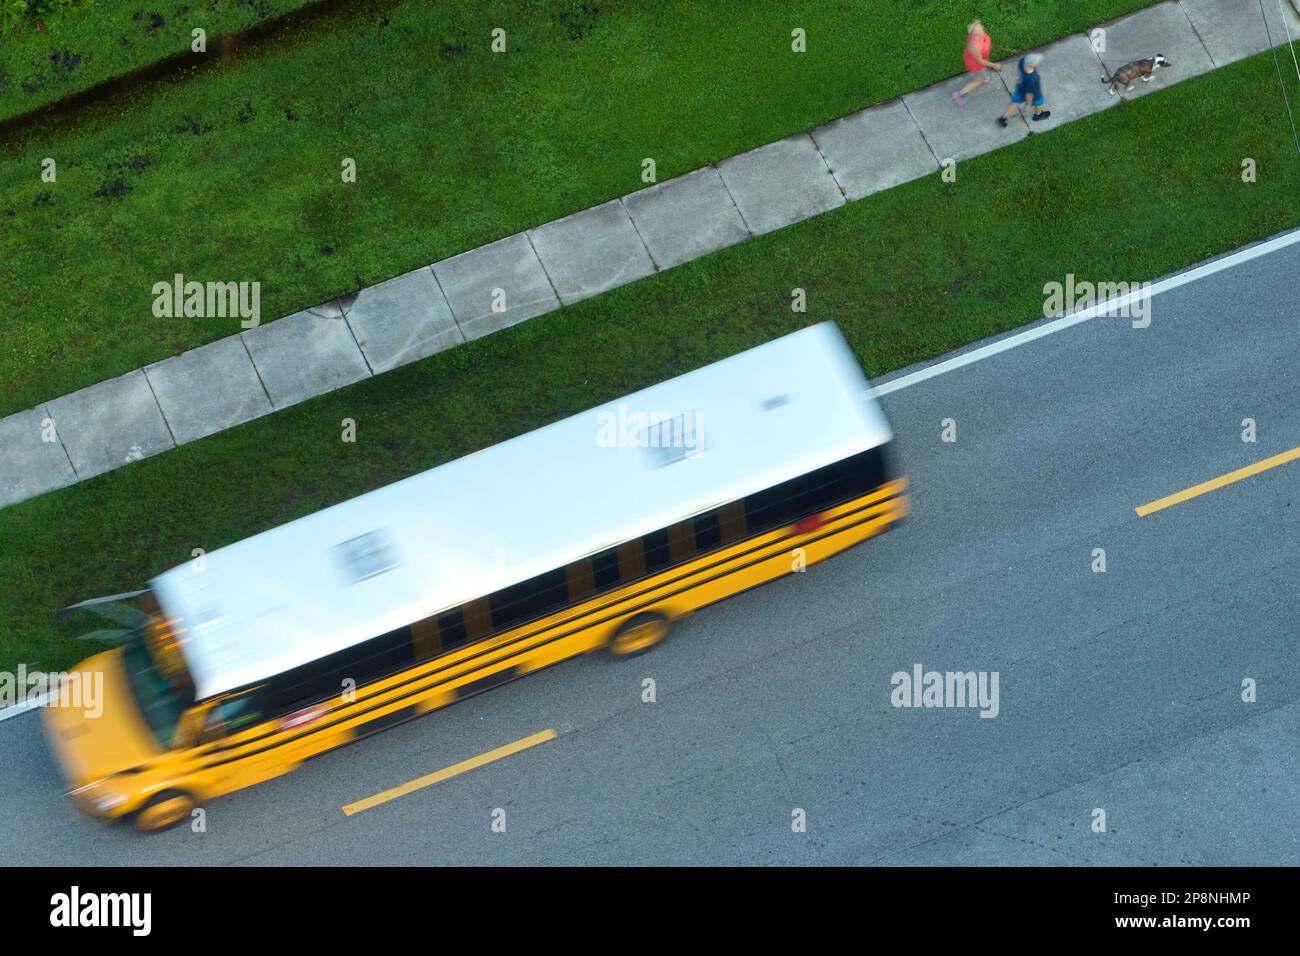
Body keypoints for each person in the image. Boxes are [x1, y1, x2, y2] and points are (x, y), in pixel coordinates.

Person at [952, 20, 1000, 105]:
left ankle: (983, 77)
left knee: (982, 73)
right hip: (976, 65)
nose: (982, 28)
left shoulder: (981, 34)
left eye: (980, 27)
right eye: (979, 29)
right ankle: (959, 94)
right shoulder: (975, 45)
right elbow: (979, 60)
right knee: (978, 81)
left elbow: (986, 41)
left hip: (980, 60)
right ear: (974, 33)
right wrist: (993, 65)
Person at [998, 52, 1051, 125]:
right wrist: (1028, 104)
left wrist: (1035, 72)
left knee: (1014, 103)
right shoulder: (1032, 78)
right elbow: (1029, 94)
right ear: (1033, 64)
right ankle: (1038, 115)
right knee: (1039, 103)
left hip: (1020, 89)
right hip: (1034, 94)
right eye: (1036, 62)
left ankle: (1003, 118)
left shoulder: (1022, 61)